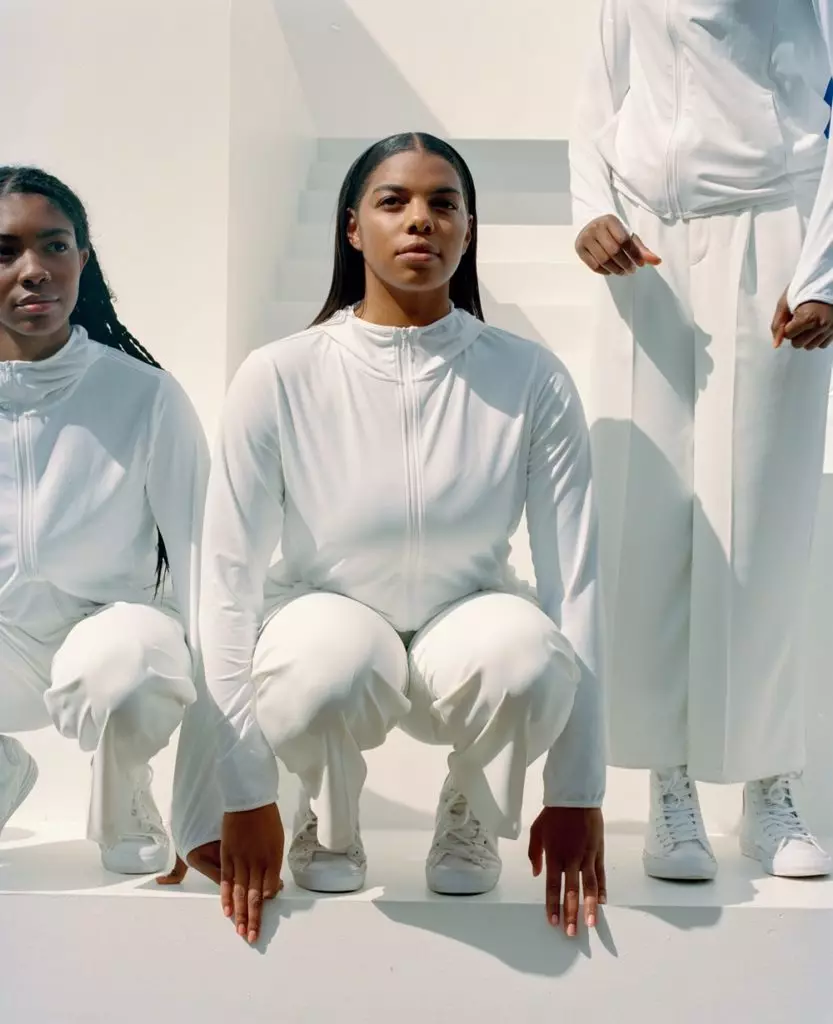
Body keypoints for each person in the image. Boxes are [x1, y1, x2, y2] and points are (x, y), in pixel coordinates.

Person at [168, 133, 606, 944]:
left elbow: (573, 580)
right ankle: (327, 818)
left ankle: (473, 799)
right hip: (331, 623)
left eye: (443, 204)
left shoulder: (529, 377)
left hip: (468, 630)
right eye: (393, 201)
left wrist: (577, 789)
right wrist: (243, 793)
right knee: (318, 664)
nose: (420, 221)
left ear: (468, 231)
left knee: (527, 654)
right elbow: (225, 584)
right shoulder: (280, 373)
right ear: (351, 228)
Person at [571, 0, 833, 881]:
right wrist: (589, 211)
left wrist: (825, 269)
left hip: (771, 234)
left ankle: (766, 786)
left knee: (759, 520)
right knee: (643, 518)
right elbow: (595, 97)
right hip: (643, 248)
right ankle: (667, 786)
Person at [0, 167, 208, 874]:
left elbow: (201, 560)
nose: (34, 271)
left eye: (54, 247)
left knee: (124, 663)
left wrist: (215, 802)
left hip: (110, 636)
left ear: (81, 262)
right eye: (5, 252)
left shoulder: (142, 395)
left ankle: (124, 793)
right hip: (5, 648)